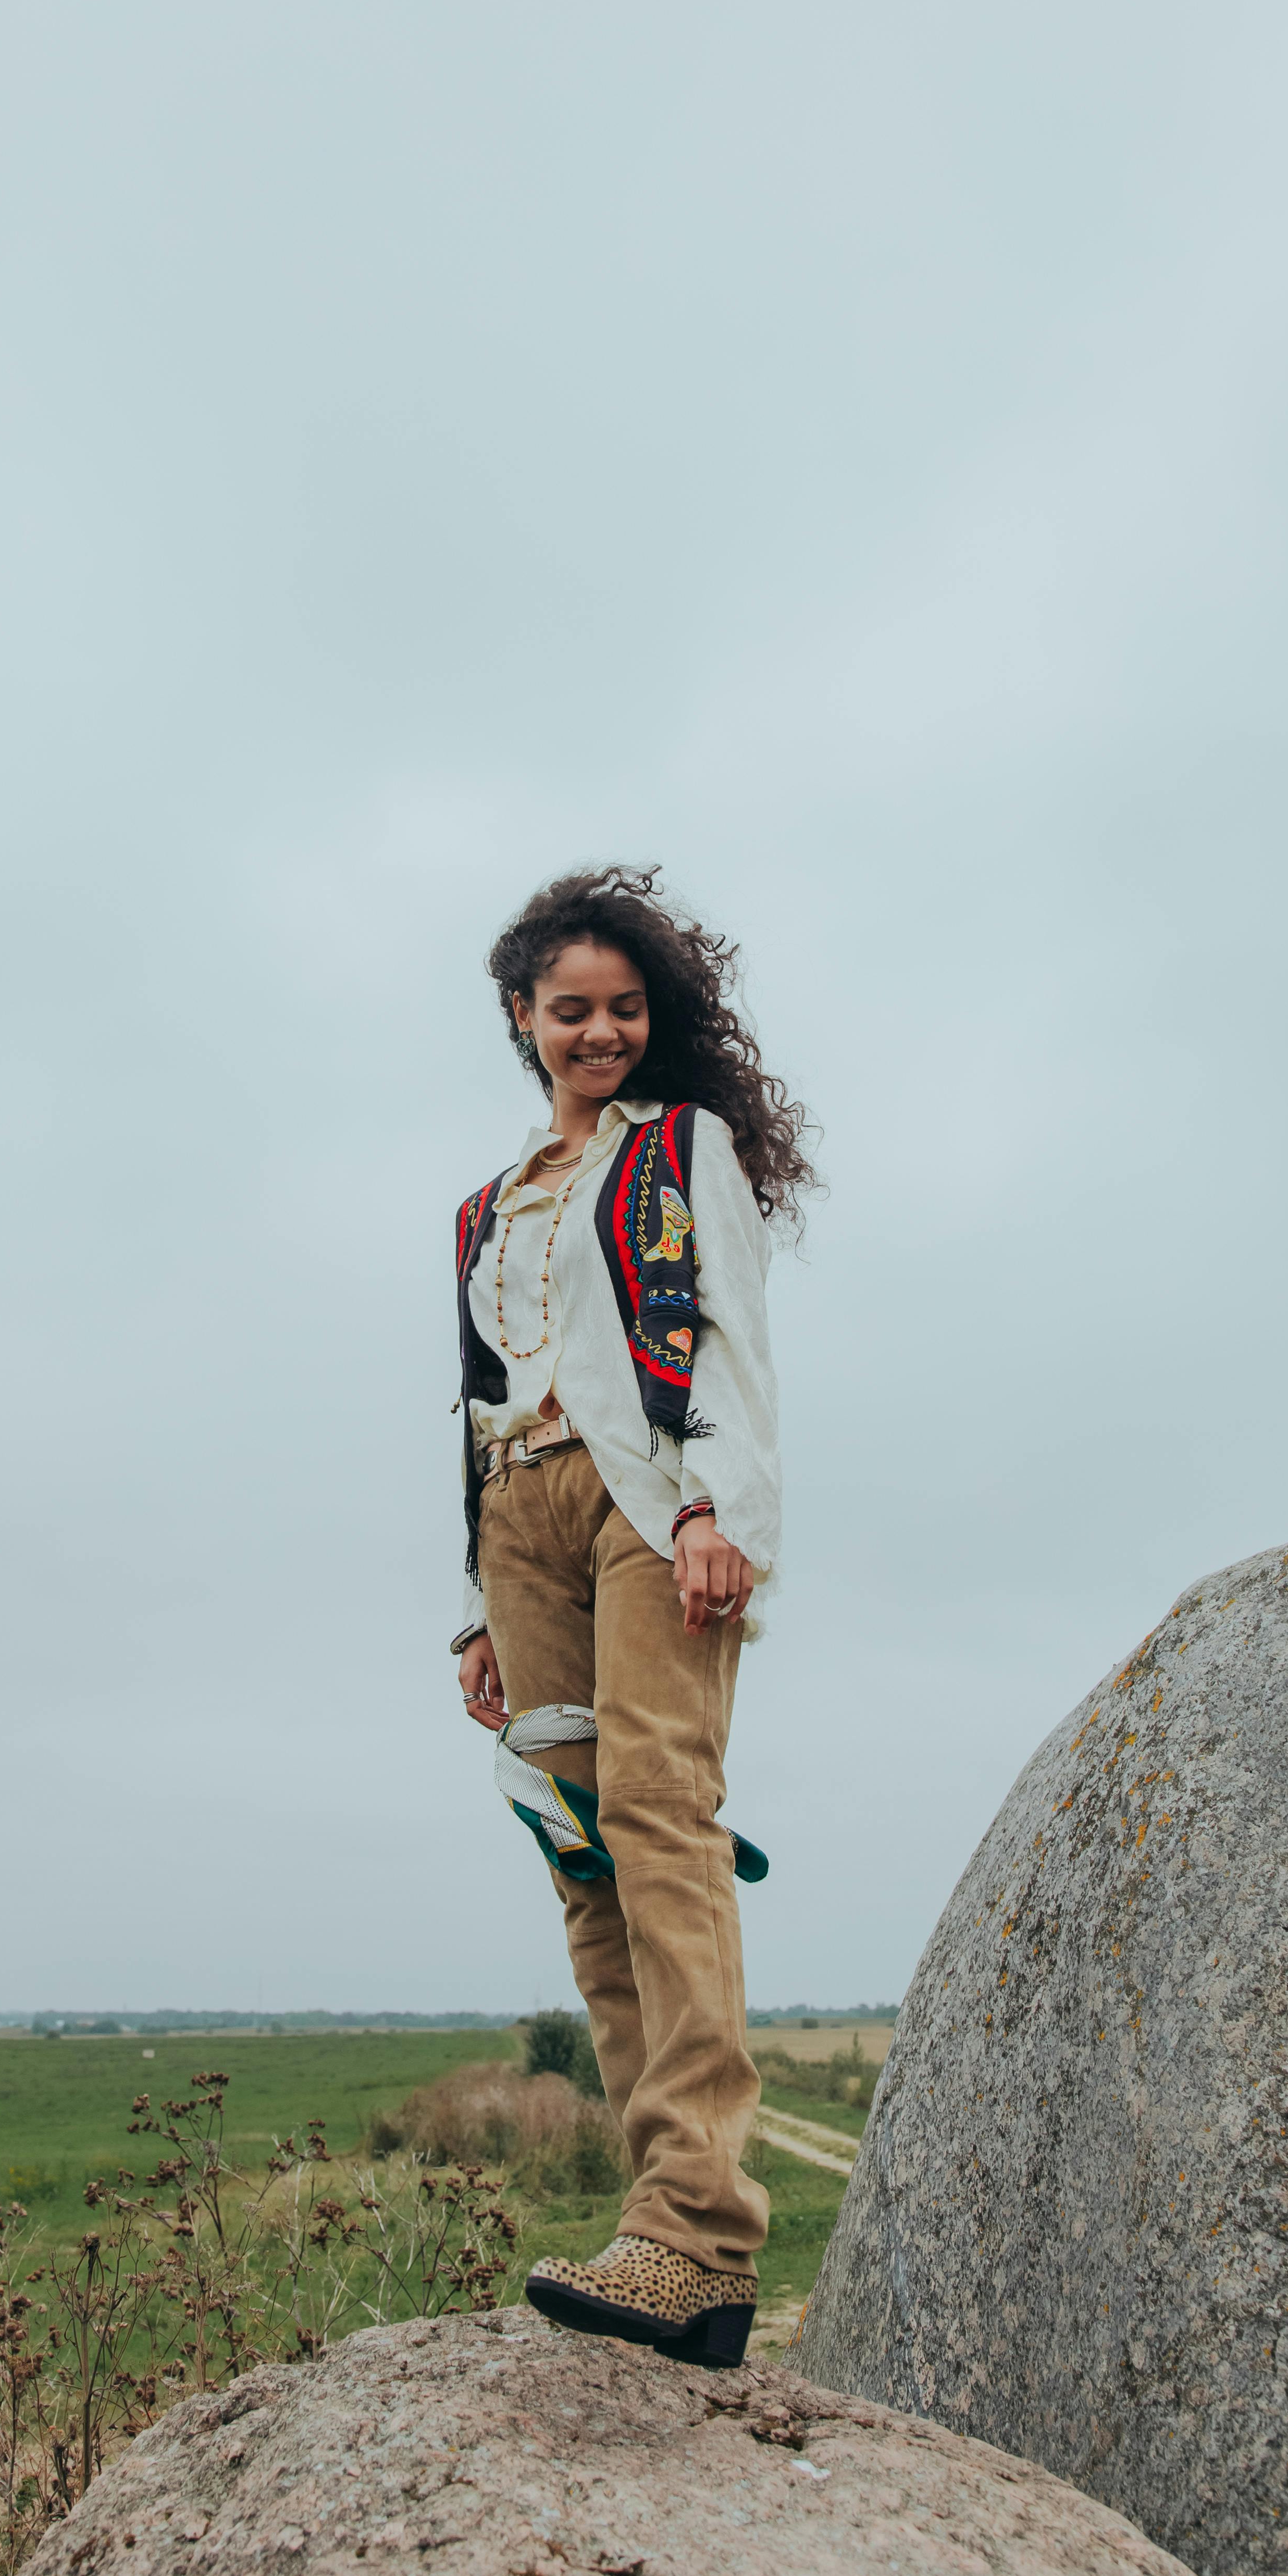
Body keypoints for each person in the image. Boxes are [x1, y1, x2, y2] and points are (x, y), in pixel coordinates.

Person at [451, 864, 815, 2370]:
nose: (600, 1030)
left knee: (663, 1816)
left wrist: (717, 1506)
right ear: (523, 1018)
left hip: (648, 1498)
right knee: (581, 1852)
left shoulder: (682, 1147)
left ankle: (702, 2233)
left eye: (624, 1007)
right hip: (519, 1517)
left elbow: (727, 1329)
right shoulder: (488, 1202)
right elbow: (479, 1397)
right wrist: (474, 1602)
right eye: (570, 1008)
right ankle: (646, 2227)